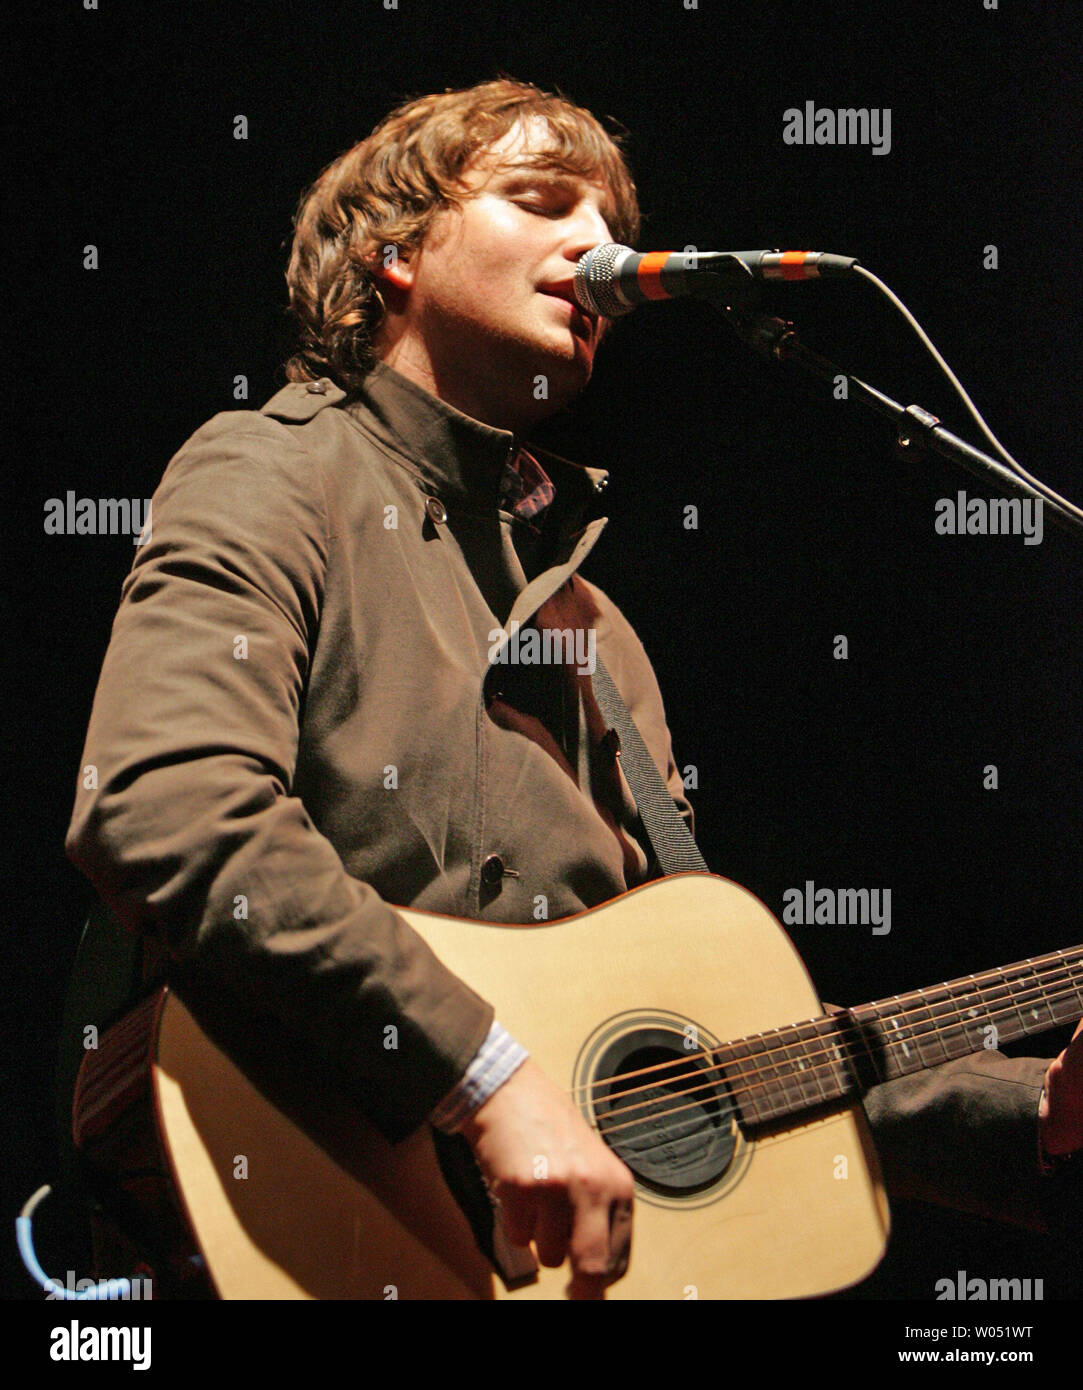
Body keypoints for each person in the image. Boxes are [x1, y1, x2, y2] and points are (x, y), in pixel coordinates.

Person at [66, 78, 1082, 1300]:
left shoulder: (601, 635)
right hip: (308, 1191)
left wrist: (1030, 1110)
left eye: (608, 222)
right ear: (392, 255)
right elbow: (165, 806)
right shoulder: (276, 471)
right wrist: (482, 1077)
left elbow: (706, 1047)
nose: (601, 250)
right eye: (543, 204)